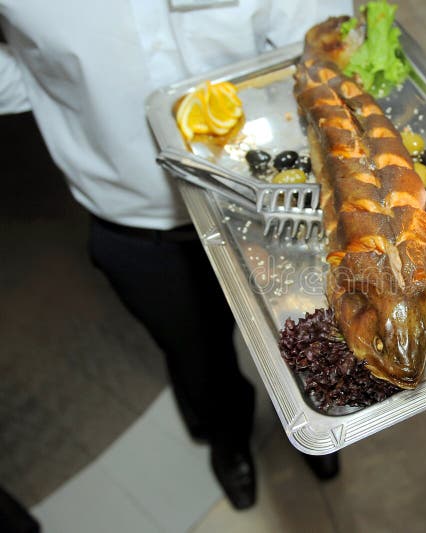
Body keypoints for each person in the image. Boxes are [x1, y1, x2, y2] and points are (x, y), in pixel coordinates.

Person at [0, 0, 352, 510]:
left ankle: (306, 419)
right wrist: (43, 85)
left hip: (275, 194)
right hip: (134, 213)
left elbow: (319, 20)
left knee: (303, 329)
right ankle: (228, 439)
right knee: (196, 357)